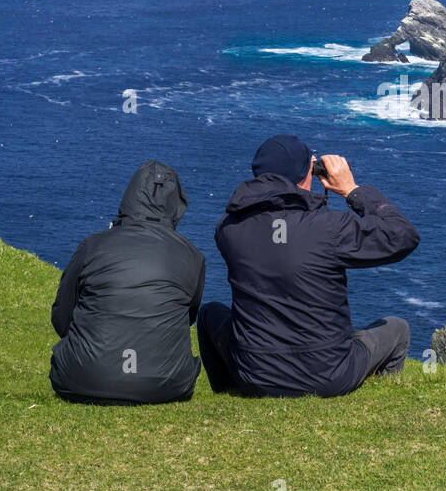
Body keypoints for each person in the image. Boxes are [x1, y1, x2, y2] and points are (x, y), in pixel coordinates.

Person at [198, 134, 419, 398]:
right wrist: (351, 190)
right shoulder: (330, 228)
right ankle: (382, 397)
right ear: (304, 176)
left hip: (254, 374)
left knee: (209, 313)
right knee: (397, 327)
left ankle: (228, 393)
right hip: (327, 375)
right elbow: (403, 236)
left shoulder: (227, 228)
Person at [50, 160, 204, 405]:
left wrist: (87, 344)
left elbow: (61, 314)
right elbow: (187, 318)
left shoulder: (92, 245)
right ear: (176, 206)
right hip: (166, 385)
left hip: (82, 379)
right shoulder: (193, 256)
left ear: (129, 198)